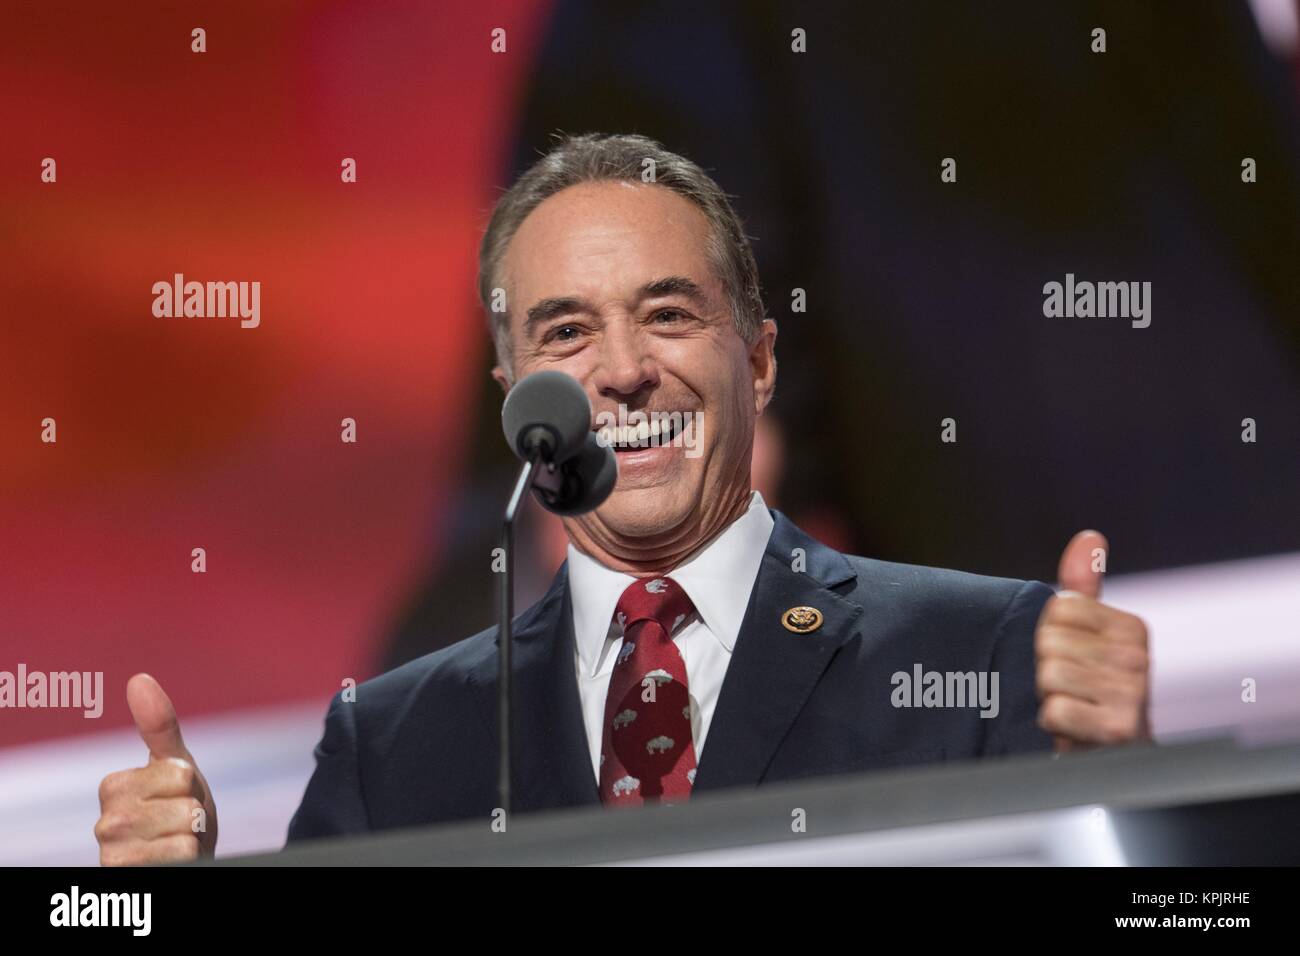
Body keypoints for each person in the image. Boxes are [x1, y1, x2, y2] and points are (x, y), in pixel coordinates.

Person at [94, 133, 1150, 864]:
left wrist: (1129, 783)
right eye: (565, 333)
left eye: (669, 313)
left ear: (761, 361)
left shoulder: (978, 655)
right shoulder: (392, 744)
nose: (623, 370)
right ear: (516, 402)